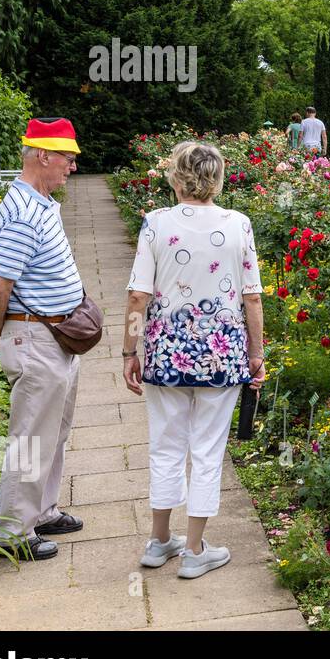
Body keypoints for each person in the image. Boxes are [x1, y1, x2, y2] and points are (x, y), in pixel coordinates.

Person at [124, 141, 264, 578]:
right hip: (220, 355)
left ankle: (159, 540)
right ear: (217, 178)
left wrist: (130, 350)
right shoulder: (238, 224)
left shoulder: (155, 223)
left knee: (165, 445)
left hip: (165, 353)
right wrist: (256, 354)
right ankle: (195, 550)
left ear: (176, 177)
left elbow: (138, 296)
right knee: (207, 449)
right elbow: (252, 298)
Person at [0, 118, 85, 561]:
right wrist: (1, 326)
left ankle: (43, 510)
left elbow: (12, 284)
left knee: (53, 430)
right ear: (43, 155)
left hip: (56, 335)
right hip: (37, 339)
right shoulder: (23, 213)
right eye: (68, 158)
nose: (71, 167)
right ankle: (15, 532)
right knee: (33, 436)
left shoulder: (40, 203)